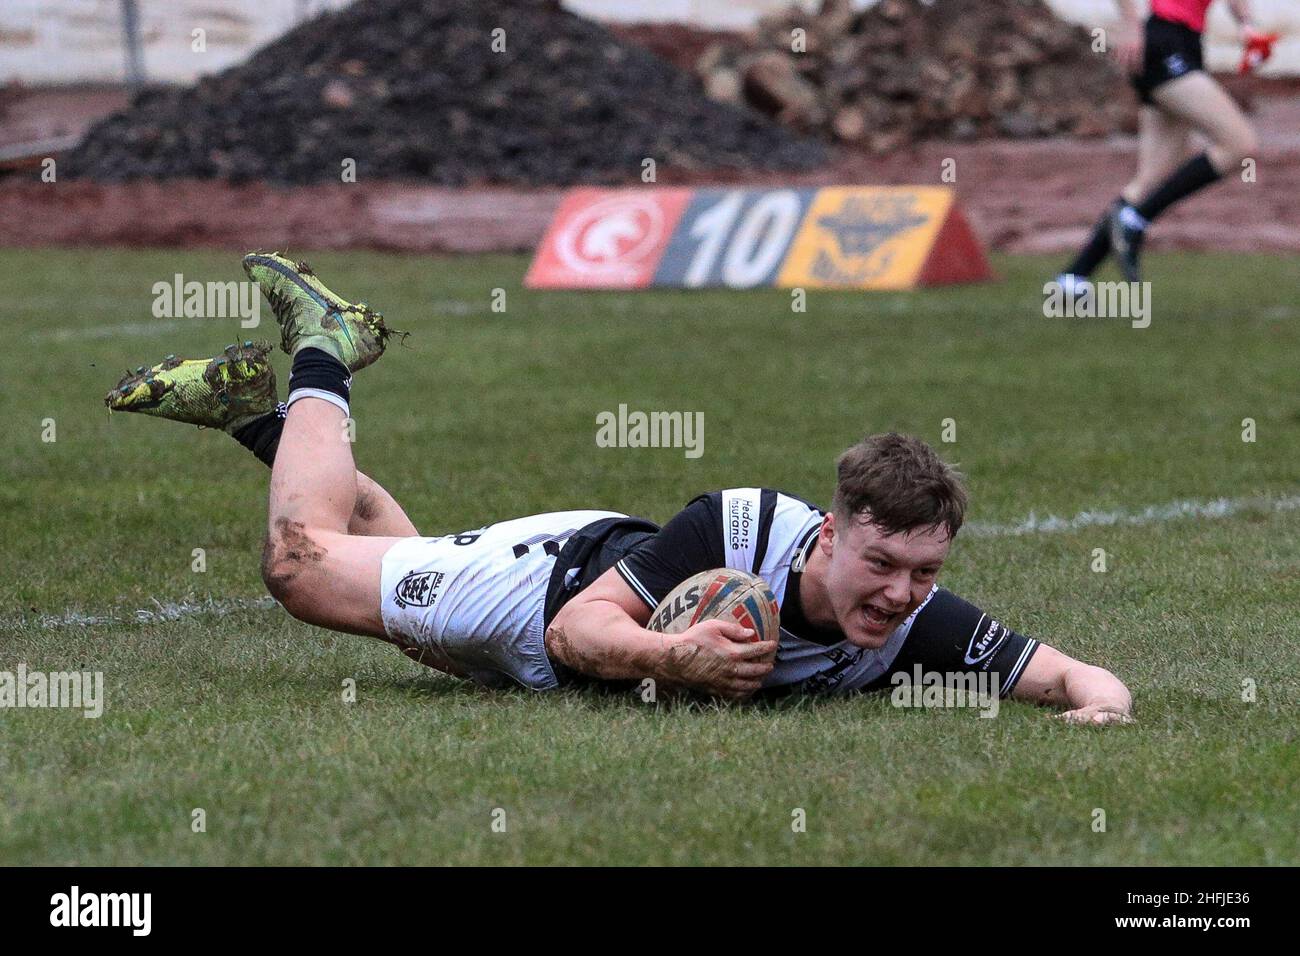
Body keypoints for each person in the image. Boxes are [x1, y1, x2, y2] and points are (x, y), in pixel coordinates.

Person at [107, 253, 1133, 723]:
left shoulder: (910, 621)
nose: (901, 592)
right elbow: (576, 636)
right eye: (882, 563)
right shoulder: (747, 525)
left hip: (554, 624)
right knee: (303, 566)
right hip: (541, 591)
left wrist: (1101, 712)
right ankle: (324, 353)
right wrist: (675, 657)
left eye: (923, 571)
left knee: (399, 600)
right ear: (828, 533)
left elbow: (1076, 677)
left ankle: (255, 418)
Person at [1057, 0, 1267, 290]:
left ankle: (1073, 278)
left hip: (1186, 44)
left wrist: (1248, 28)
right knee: (1240, 146)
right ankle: (1136, 220)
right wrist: (1130, 23)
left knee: (1148, 180)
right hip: (1162, 41)